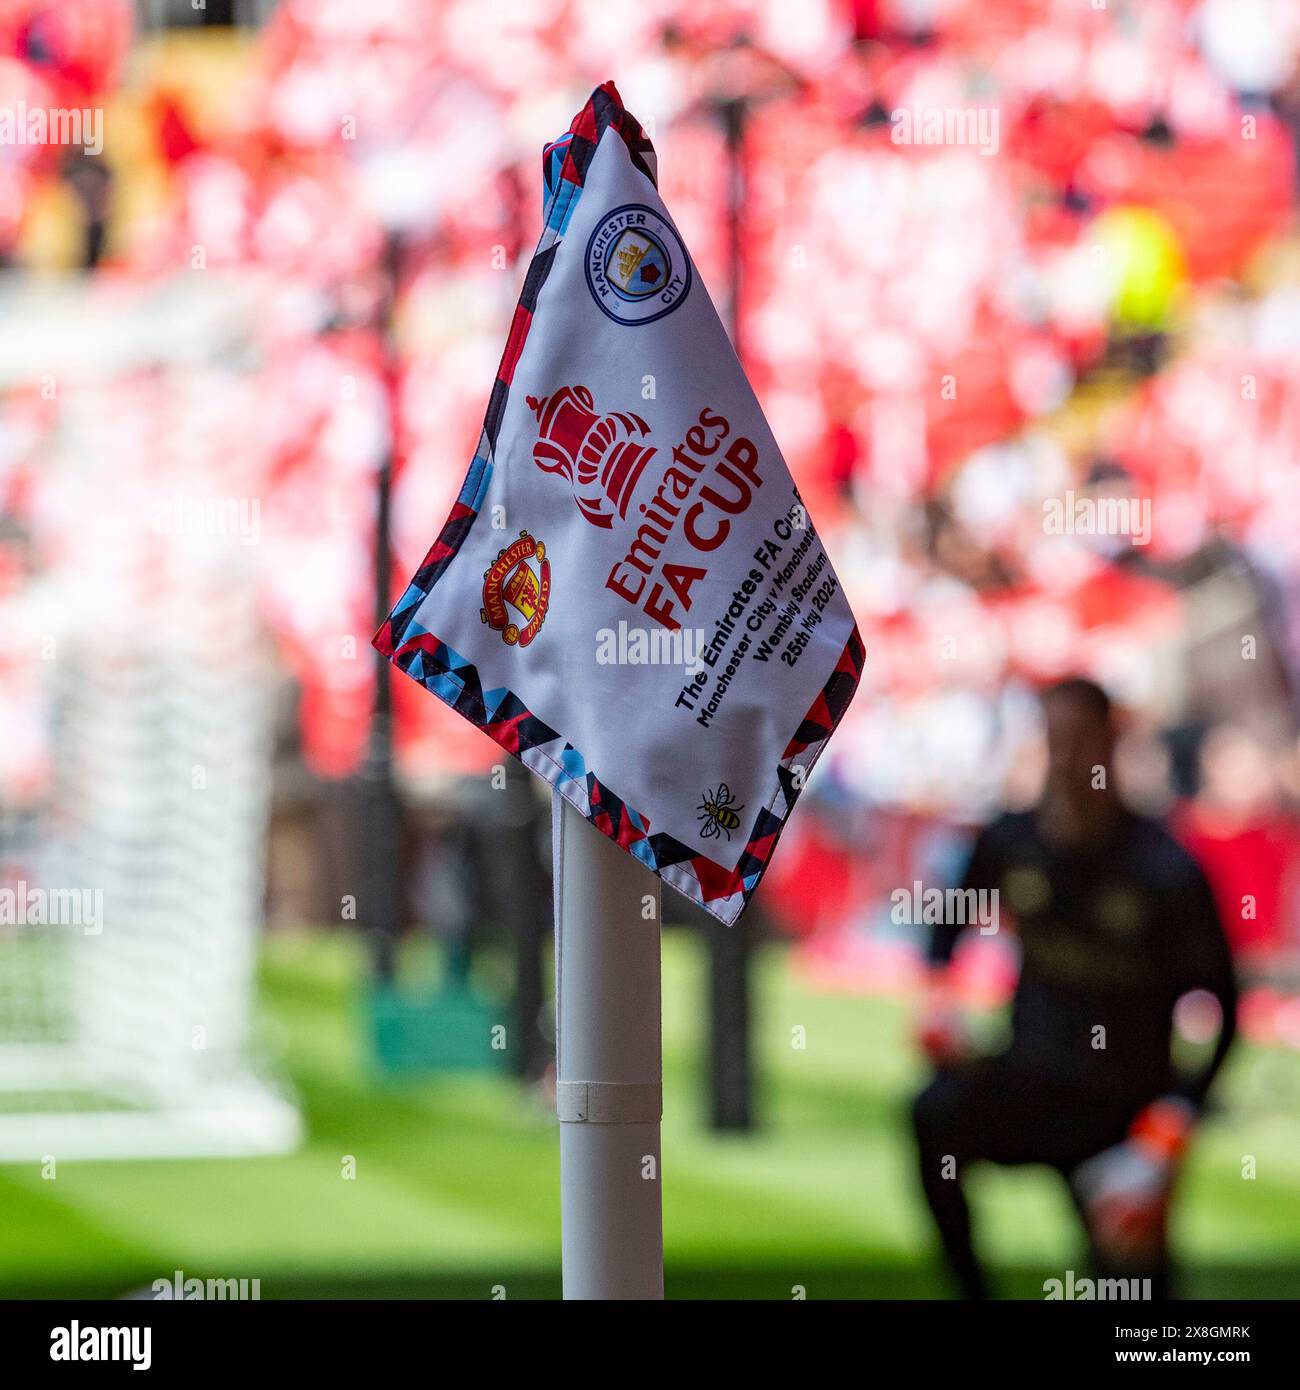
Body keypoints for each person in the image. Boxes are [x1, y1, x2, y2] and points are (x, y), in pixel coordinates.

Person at [911, 678, 1238, 1299]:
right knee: (934, 1113)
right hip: (1028, 1083)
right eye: (1053, 741)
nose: (1065, 759)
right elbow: (946, 924)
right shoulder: (1012, 841)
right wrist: (940, 1001)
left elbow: (1228, 1007)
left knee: (1140, 1306)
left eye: (1080, 742)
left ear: (1111, 746)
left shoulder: (1162, 867)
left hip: (1122, 1114)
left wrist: (1165, 1136)